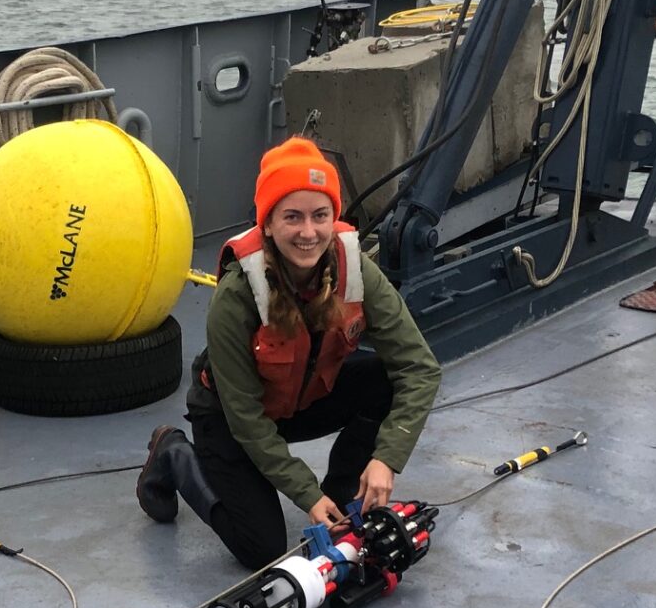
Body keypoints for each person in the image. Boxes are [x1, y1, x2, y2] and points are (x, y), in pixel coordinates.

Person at [135, 136, 439, 569]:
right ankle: (174, 452)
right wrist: (305, 493)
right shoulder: (238, 295)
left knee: (384, 381)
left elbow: (420, 369)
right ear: (269, 224)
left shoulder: (356, 272)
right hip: (231, 418)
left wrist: (386, 458)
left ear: (334, 218)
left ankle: (341, 501)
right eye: (291, 217)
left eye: (320, 216)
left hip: (301, 401)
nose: (308, 232)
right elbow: (246, 419)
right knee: (261, 548)